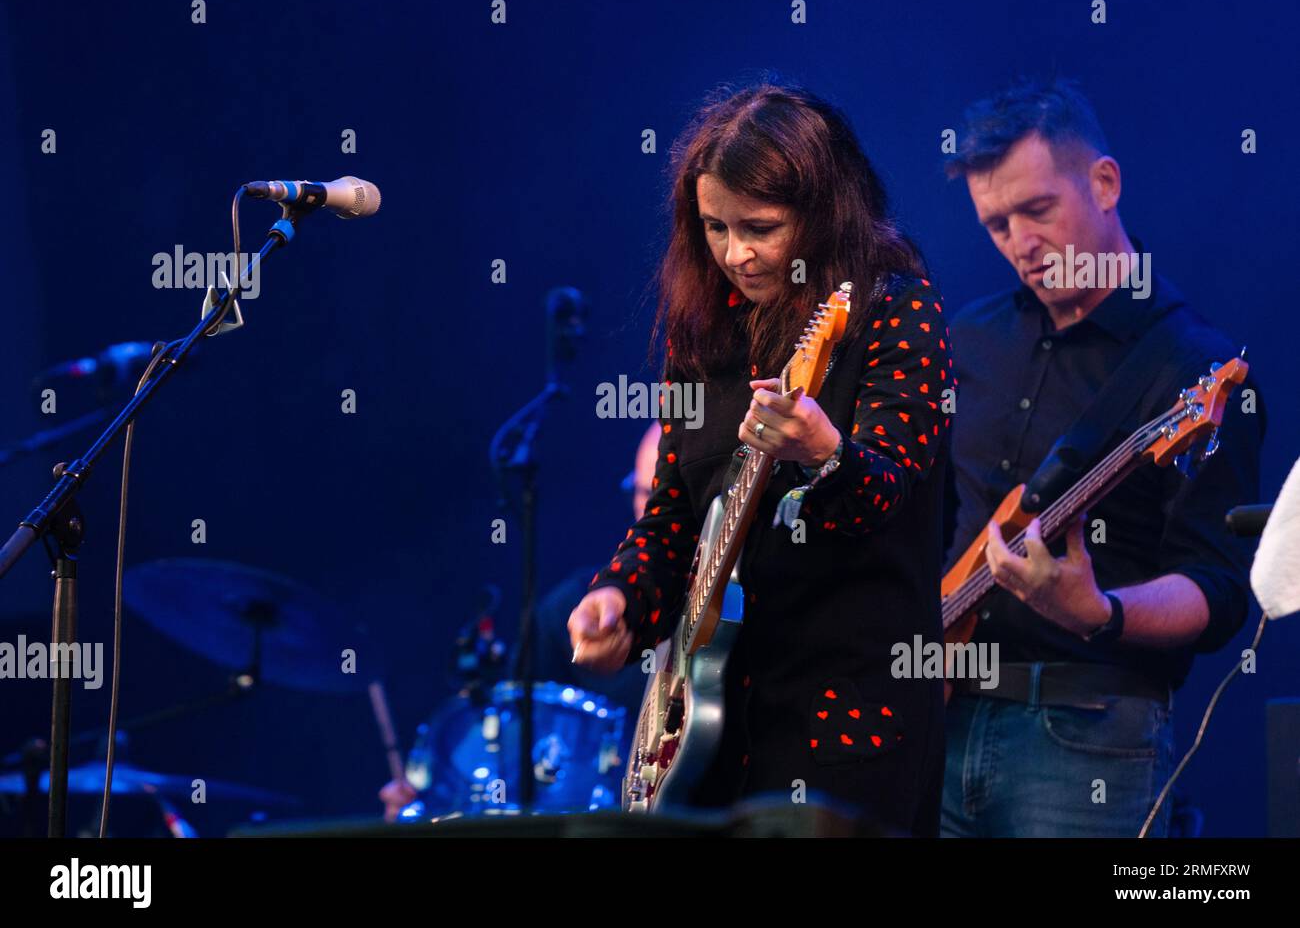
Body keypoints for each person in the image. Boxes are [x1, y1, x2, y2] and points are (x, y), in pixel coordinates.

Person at [568, 83, 955, 834]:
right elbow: (677, 509)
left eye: (761, 227)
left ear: (821, 213)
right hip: (710, 725)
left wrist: (826, 454)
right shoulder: (704, 333)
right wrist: (620, 597)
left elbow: (894, 496)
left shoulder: (894, 309)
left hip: (847, 718)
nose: (735, 252)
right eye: (714, 226)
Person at [940, 77, 1264, 837]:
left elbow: (1218, 589)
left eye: (1038, 210)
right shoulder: (969, 339)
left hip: (1088, 734)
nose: (1020, 243)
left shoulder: (1196, 366)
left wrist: (1100, 612)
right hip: (943, 717)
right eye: (996, 224)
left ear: (1105, 183)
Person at [377, 425, 657, 822]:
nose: (656, 514)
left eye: (672, 496)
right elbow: (510, 749)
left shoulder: (747, 603)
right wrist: (436, 794)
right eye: (646, 494)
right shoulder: (570, 607)